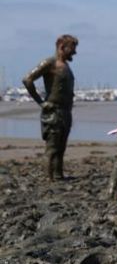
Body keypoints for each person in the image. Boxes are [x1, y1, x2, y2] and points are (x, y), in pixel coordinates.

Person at [22, 34, 78, 180]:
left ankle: (58, 174)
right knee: (52, 147)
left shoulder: (66, 66)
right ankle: (49, 177)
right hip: (53, 112)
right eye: (72, 48)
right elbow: (27, 80)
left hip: (66, 112)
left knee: (61, 147)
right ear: (61, 47)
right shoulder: (50, 63)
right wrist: (40, 102)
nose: (75, 52)